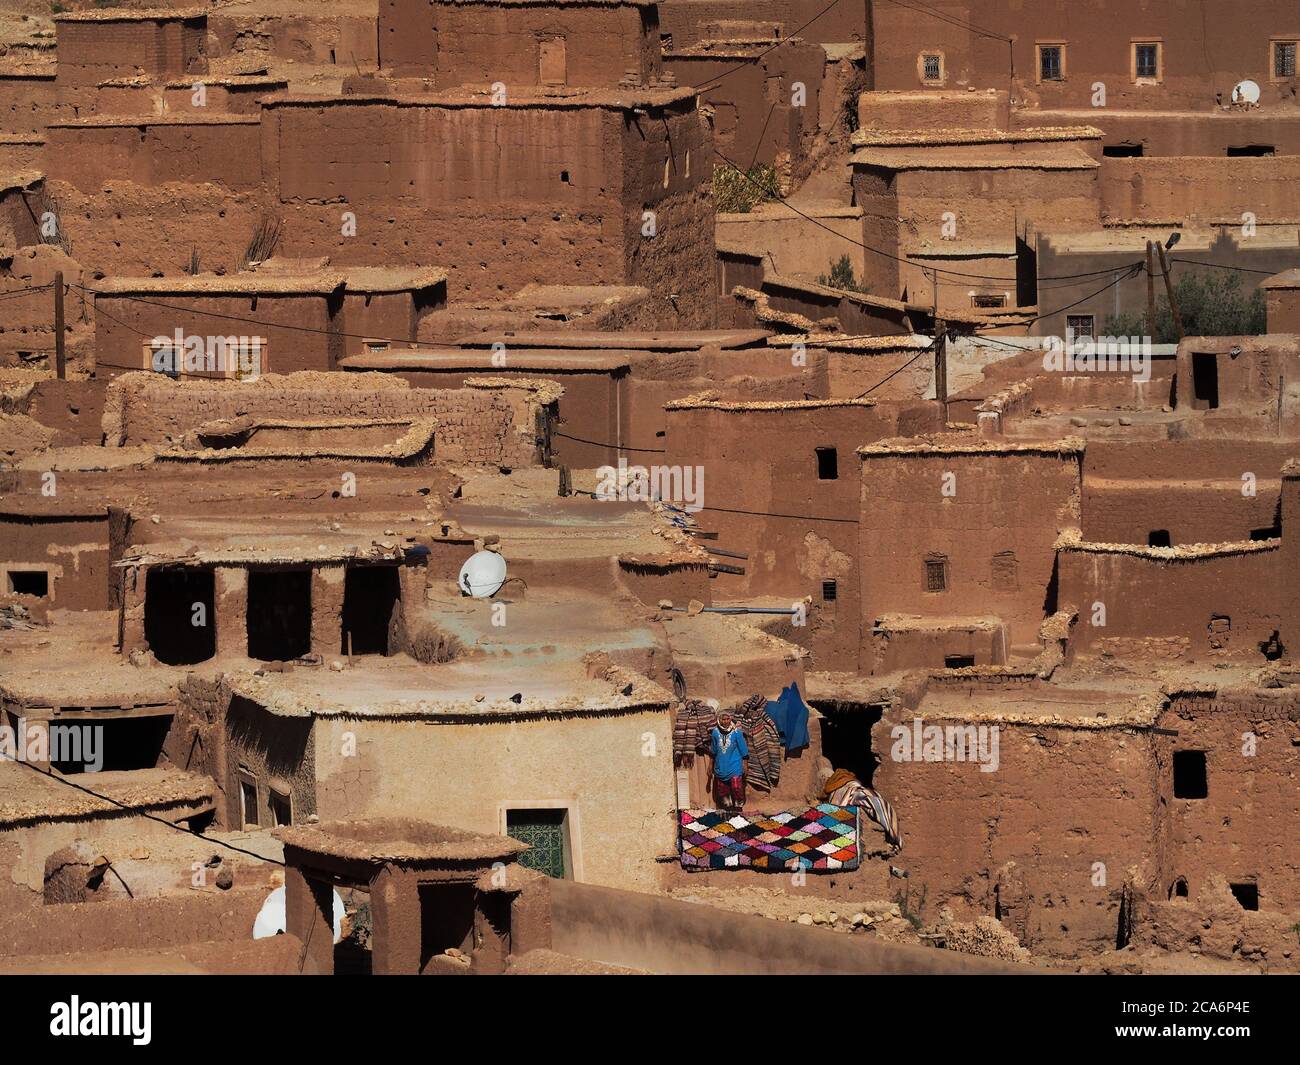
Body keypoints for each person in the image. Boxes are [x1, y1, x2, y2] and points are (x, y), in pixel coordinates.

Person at [710, 710, 749, 810]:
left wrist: (745, 765)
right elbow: (713, 750)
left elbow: (743, 750)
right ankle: (728, 811)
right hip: (721, 766)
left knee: (736, 787)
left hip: (734, 765)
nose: (726, 721)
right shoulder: (715, 732)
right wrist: (710, 765)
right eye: (723, 719)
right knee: (723, 790)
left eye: (728, 719)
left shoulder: (737, 732)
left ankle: (738, 809)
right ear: (719, 720)